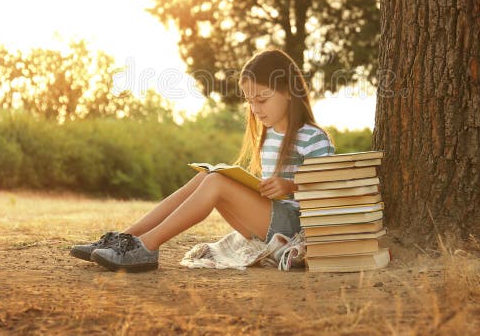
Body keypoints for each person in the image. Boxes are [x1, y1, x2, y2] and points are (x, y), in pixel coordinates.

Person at [70, 47, 335, 271]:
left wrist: (291, 187)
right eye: (250, 101)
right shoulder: (268, 135)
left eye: (263, 99)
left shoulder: (312, 137)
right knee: (206, 177)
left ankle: (147, 246)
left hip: (295, 227)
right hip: (269, 220)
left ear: (289, 92)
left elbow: (333, 192)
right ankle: (124, 239)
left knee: (216, 182)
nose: (256, 109)